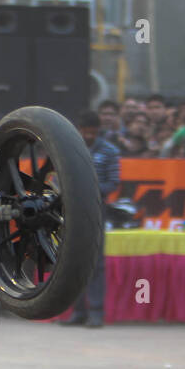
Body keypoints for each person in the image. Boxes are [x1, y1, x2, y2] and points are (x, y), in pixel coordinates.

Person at [62, 110, 119, 328]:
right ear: (79, 130)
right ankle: (77, 312)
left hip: (96, 210)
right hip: (70, 211)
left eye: (92, 133)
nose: (88, 136)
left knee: (95, 263)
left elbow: (113, 182)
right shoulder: (69, 149)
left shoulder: (110, 151)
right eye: (85, 132)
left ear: (98, 131)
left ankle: (96, 312)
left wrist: (88, 189)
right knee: (72, 261)